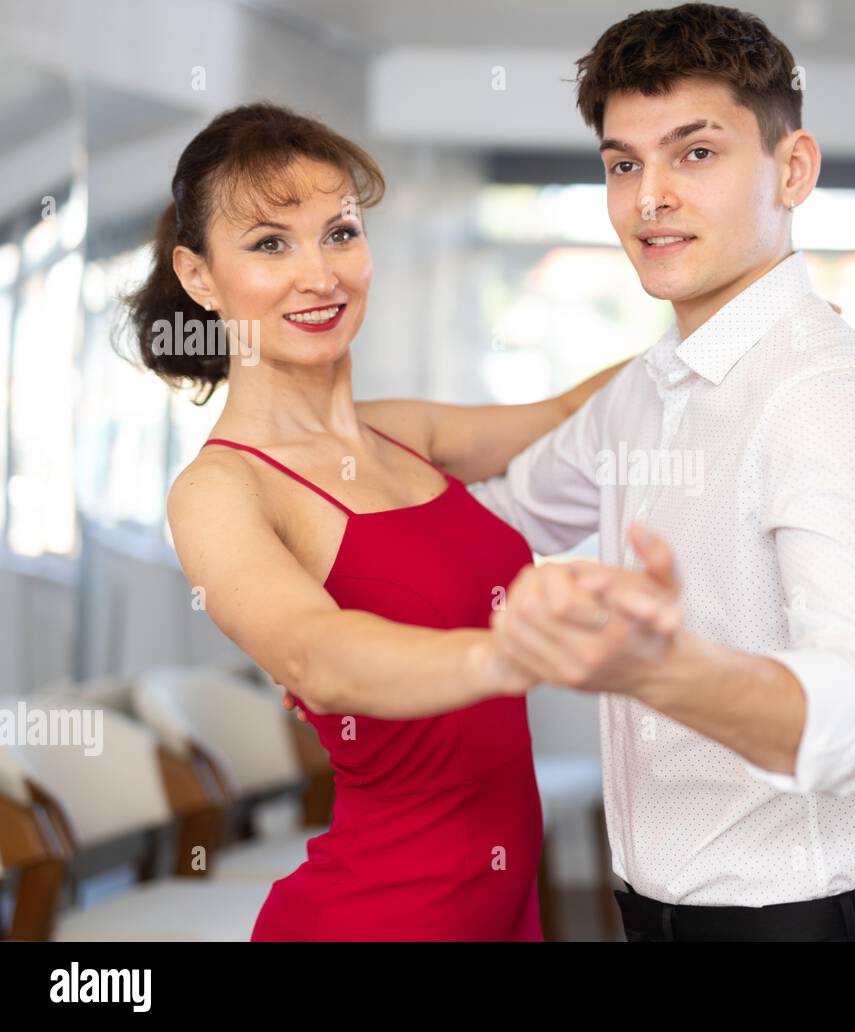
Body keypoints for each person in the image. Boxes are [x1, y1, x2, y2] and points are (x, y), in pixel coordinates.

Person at [467, 3, 855, 942]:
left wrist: (676, 674)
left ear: (791, 168)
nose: (649, 199)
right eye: (623, 163)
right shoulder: (646, 391)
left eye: (696, 153)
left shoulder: (824, 392)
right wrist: (327, 623)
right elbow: (497, 522)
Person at [124, 102, 638, 940]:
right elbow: (318, 658)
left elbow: (578, 408)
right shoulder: (221, 490)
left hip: (502, 906)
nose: (320, 274)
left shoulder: (402, 433)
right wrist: (517, 649)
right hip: (382, 914)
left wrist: (738, 333)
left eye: (340, 232)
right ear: (198, 277)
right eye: (269, 244)